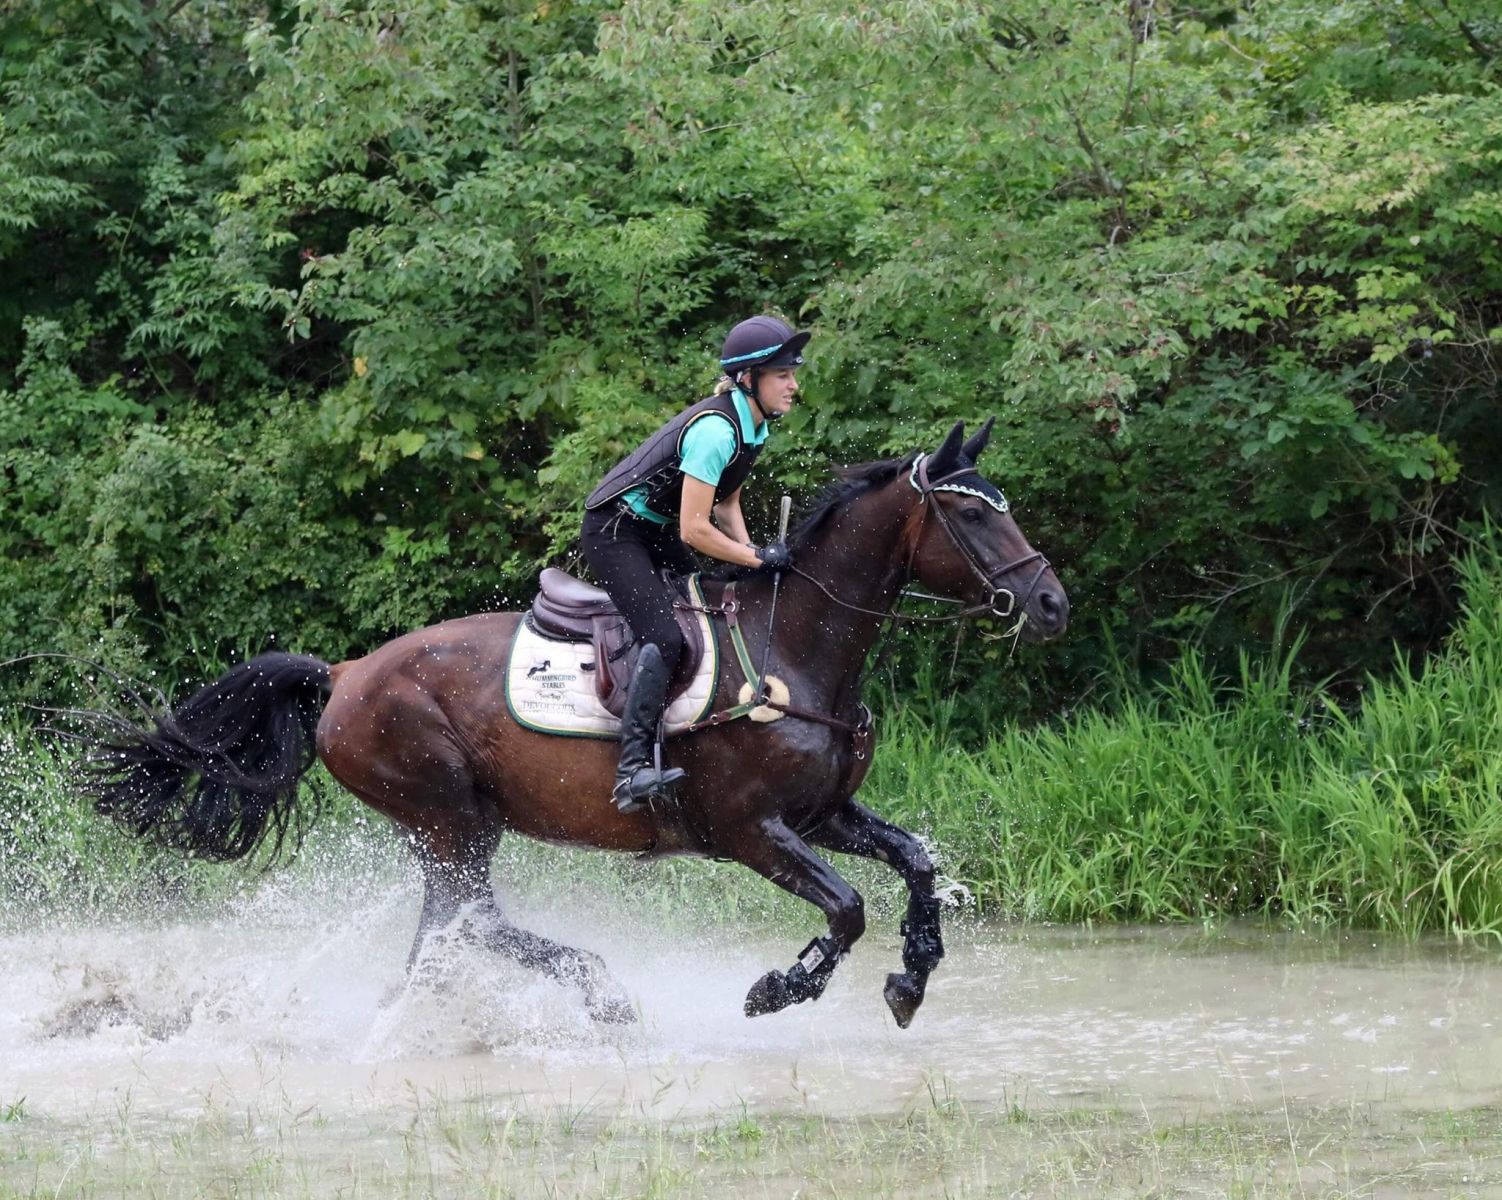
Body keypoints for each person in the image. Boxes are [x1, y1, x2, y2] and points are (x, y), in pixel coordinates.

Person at [581, 315, 808, 813]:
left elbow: (726, 504)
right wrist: (753, 555)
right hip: (616, 532)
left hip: (654, 530)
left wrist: (755, 563)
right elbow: (694, 530)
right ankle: (632, 771)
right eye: (783, 375)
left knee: (715, 604)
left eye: (794, 373)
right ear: (749, 379)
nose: (795, 384)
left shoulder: (755, 425)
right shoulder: (715, 431)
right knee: (665, 636)